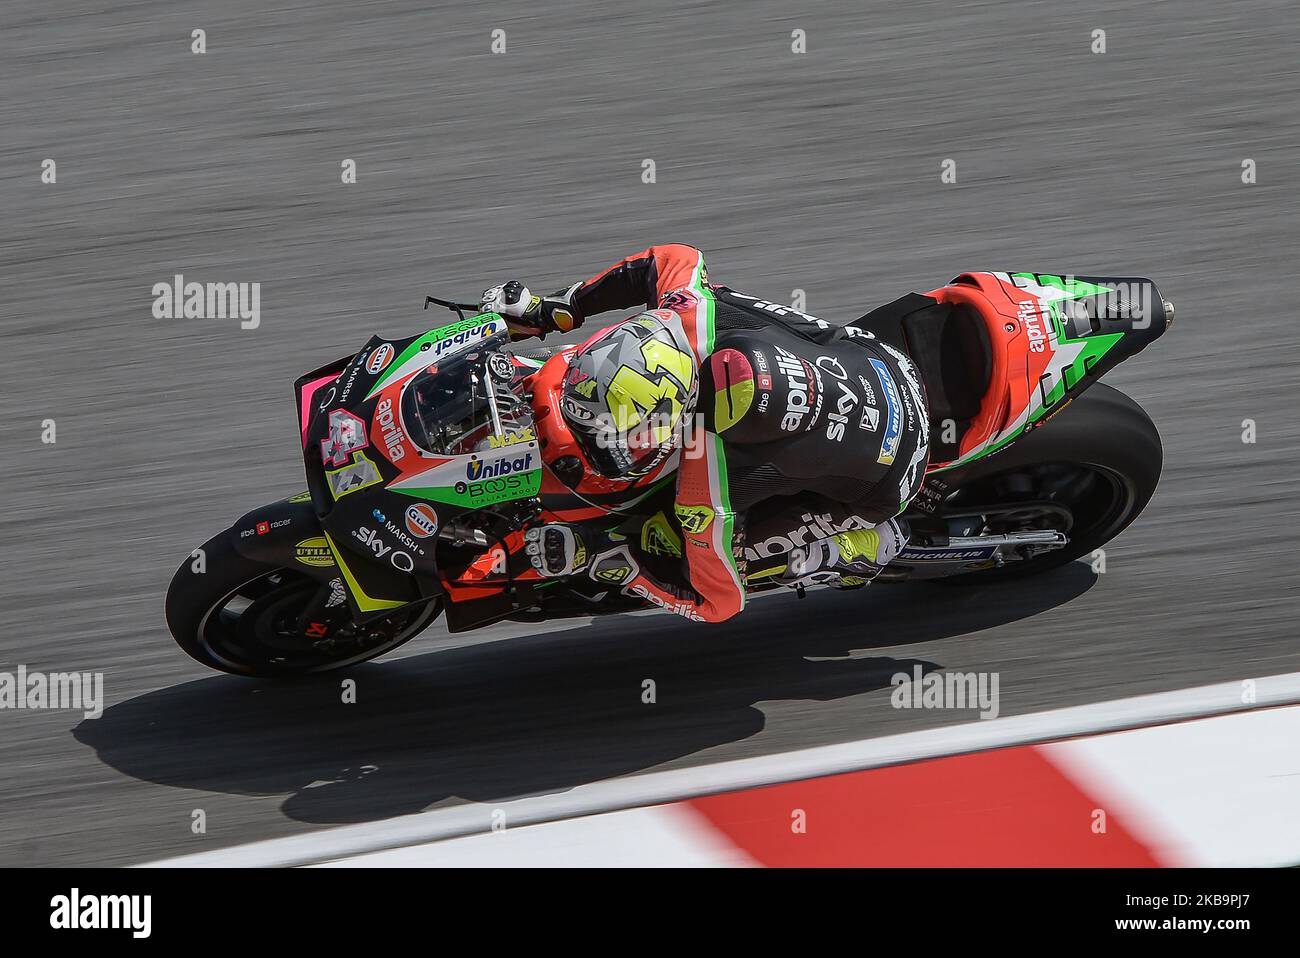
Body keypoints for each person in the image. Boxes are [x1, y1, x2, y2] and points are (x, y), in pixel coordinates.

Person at [479, 244, 929, 623]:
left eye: (612, 439)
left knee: (683, 545)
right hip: (880, 359)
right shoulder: (689, 312)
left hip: (892, 477)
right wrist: (558, 307)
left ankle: (863, 547)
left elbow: (718, 604)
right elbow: (669, 257)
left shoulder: (705, 480)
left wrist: (610, 561)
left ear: (676, 426)